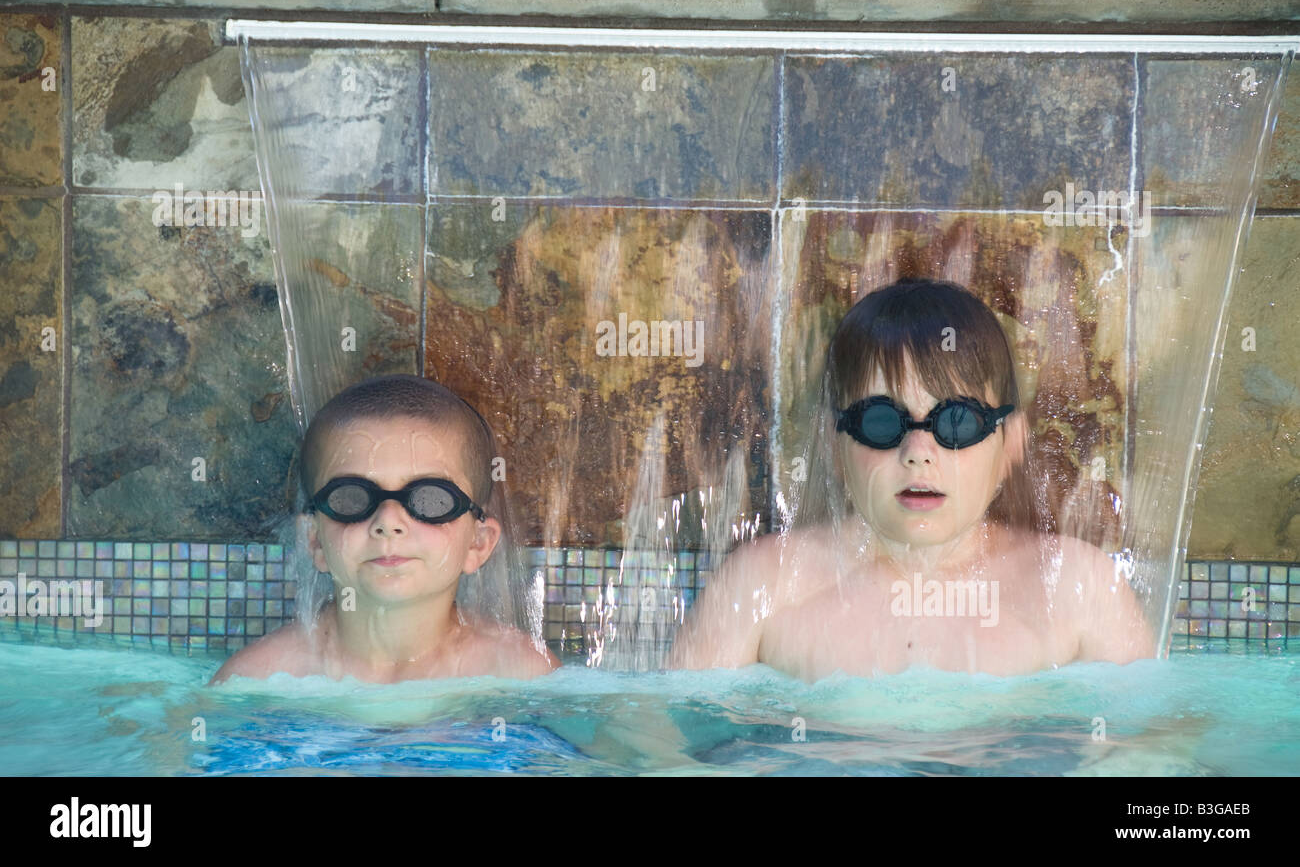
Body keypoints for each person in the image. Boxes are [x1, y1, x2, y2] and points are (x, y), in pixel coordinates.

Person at [669, 277, 1154, 679]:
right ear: (834, 445)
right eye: (881, 422)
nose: (918, 453)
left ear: (1011, 442)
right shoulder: (767, 586)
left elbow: (1154, 756)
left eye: (956, 423)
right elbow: (654, 744)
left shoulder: (1074, 587)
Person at [212, 375, 558, 683]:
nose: (388, 522)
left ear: (478, 544)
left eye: (430, 499)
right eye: (351, 498)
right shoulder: (259, 680)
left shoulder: (521, 675)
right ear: (314, 540)